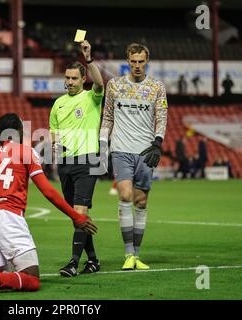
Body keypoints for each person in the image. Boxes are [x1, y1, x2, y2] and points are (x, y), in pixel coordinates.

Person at [0, 113, 97, 296]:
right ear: (19, 131)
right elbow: (48, 192)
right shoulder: (25, 152)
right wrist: (76, 216)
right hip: (9, 217)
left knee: (5, 277)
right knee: (32, 280)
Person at [99, 43, 168, 270]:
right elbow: (107, 116)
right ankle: (128, 253)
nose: (137, 65)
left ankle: (136, 255)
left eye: (141, 61)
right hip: (121, 149)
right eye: (133, 61)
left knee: (141, 201)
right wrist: (102, 142)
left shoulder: (156, 87)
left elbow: (162, 116)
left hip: (145, 150)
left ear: (146, 61)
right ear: (127, 61)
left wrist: (158, 142)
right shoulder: (115, 85)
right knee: (126, 194)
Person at [49, 40, 104, 277]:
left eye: (74, 78)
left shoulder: (92, 98)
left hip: (88, 160)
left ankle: (72, 262)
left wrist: (88, 58)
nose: (69, 82)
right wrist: (54, 144)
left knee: (80, 211)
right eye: (67, 78)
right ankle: (92, 260)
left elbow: (101, 83)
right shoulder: (58, 104)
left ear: (83, 80)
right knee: (76, 217)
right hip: (65, 163)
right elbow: (53, 131)